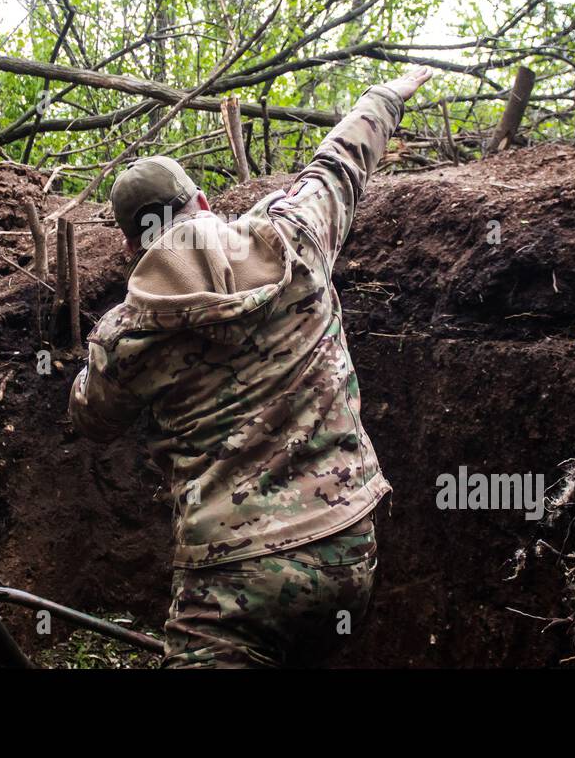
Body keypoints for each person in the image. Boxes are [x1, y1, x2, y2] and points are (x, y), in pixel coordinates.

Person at [68, 67, 434, 667]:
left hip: (230, 589)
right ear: (204, 203)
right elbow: (341, 161)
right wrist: (385, 95)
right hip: (348, 551)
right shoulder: (295, 237)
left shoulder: (123, 337)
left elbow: (92, 418)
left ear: (132, 246)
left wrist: (92, 366)